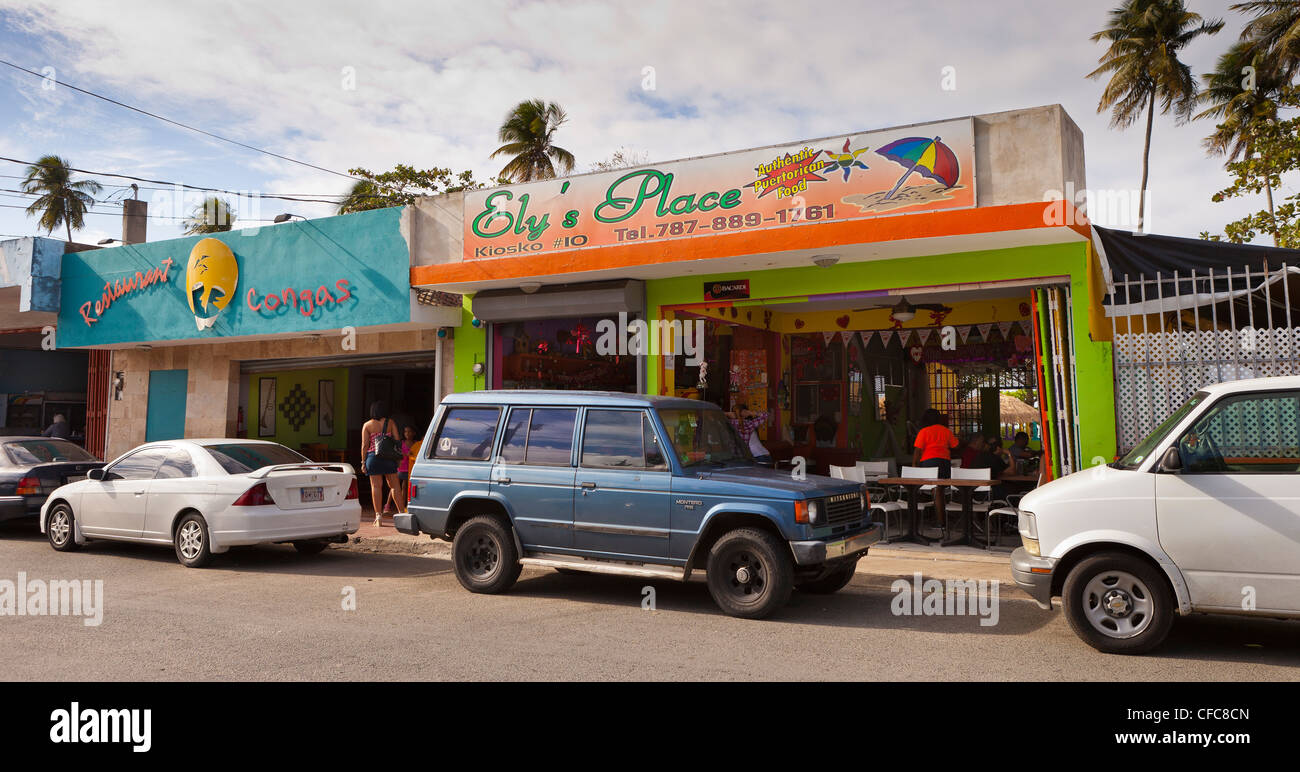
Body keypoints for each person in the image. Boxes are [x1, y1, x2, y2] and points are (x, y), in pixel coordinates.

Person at [361, 401, 405, 526]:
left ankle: (378, 517)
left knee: (376, 487)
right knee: (394, 486)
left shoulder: (367, 425)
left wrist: (363, 462)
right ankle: (401, 513)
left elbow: (364, 445)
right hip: (389, 458)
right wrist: (399, 458)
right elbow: (397, 441)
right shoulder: (390, 423)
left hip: (373, 458)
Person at [912, 408, 958, 523]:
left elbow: (918, 450)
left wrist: (914, 465)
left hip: (928, 462)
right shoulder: (946, 431)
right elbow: (955, 446)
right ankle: (941, 518)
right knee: (940, 490)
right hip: (944, 462)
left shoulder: (924, 431)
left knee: (934, 490)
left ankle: (939, 520)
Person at [388, 425, 418, 514]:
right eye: (405, 432)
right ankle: (387, 505)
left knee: (405, 487)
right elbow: (398, 452)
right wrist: (406, 454)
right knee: (394, 486)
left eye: (409, 431)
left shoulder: (416, 443)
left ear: (414, 433)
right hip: (400, 467)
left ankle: (404, 506)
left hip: (410, 469)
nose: (407, 434)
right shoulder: (401, 443)